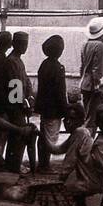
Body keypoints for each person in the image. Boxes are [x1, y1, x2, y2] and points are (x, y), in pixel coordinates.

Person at [34, 35, 68, 171]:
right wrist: (65, 110)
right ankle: (44, 165)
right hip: (54, 109)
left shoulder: (44, 65)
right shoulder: (58, 68)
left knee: (43, 136)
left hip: (44, 107)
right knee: (50, 138)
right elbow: (60, 92)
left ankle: (42, 163)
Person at [3, 31, 37, 171]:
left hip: (21, 104)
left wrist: (30, 97)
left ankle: (15, 164)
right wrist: (24, 104)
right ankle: (13, 166)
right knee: (18, 135)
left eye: (26, 44)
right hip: (14, 106)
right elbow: (14, 87)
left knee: (20, 137)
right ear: (15, 44)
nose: (25, 47)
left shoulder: (19, 60)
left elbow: (27, 81)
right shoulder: (11, 61)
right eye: (22, 44)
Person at [79, 15, 103, 119]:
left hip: (85, 83)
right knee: (93, 116)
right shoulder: (99, 45)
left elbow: (83, 65)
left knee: (87, 113)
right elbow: (96, 69)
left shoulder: (85, 44)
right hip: (94, 86)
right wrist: (99, 86)